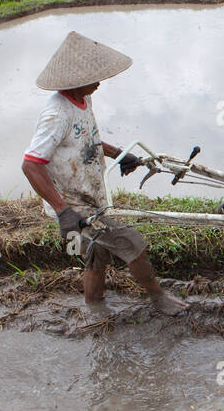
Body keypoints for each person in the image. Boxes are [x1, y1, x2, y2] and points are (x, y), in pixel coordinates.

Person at [21, 30, 187, 315]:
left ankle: (94, 308)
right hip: (73, 204)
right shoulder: (56, 115)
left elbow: (88, 139)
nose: (99, 83)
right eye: (94, 77)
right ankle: (158, 298)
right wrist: (63, 211)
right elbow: (31, 164)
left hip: (89, 196)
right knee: (131, 242)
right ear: (75, 80)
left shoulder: (83, 100)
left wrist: (120, 155)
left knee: (98, 254)